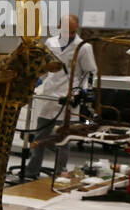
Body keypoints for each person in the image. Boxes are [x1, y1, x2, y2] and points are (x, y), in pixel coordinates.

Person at [24, 14, 97, 179]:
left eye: (72, 32)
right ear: (58, 27)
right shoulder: (50, 43)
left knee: (64, 140)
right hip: (49, 95)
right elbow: (44, 67)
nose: (69, 35)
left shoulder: (84, 47)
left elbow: (90, 73)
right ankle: (31, 172)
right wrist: (35, 81)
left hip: (69, 98)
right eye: (66, 31)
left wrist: (82, 92)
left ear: (76, 29)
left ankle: (59, 174)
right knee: (39, 137)